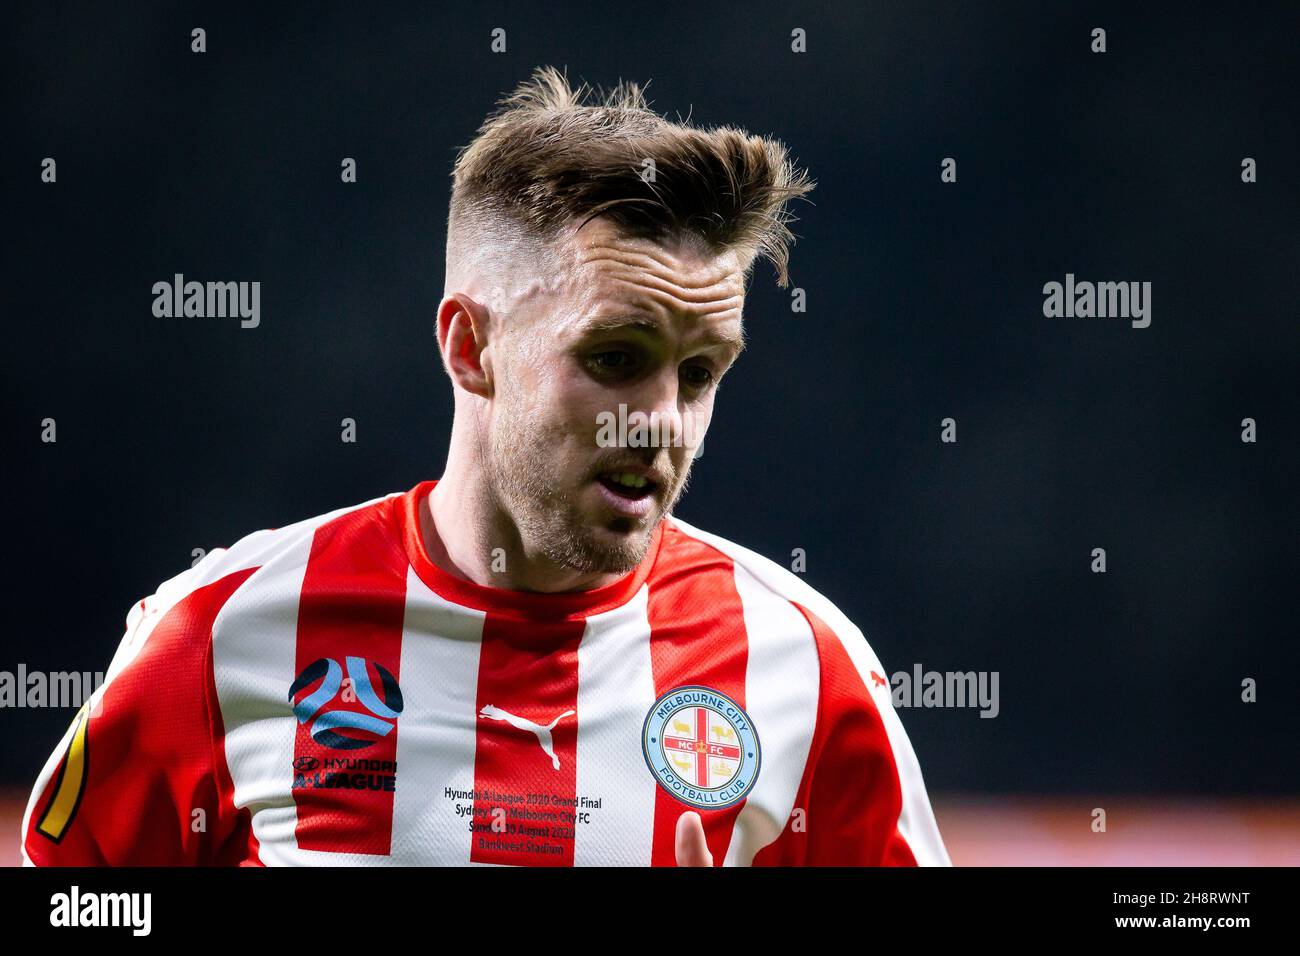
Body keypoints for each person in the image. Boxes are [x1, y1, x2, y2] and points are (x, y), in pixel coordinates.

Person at [22, 66, 950, 867]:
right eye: (615, 357)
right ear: (471, 346)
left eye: (700, 373)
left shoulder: (804, 669)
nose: (662, 423)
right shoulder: (224, 632)